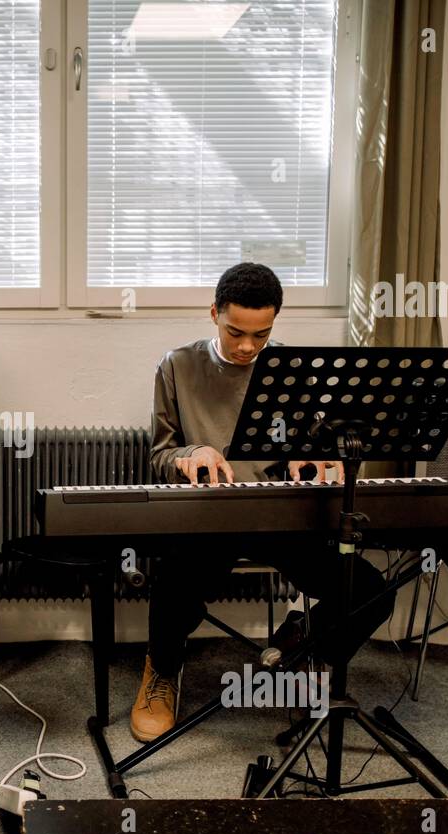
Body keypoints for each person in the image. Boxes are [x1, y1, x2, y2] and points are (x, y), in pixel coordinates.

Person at [132, 262, 396, 743]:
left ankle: (303, 646)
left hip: (283, 516)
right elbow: (159, 455)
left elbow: (314, 446)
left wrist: (313, 460)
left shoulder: (292, 369)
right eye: (236, 332)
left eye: (262, 334)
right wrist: (190, 454)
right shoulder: (177, 366)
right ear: (214, 313)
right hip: (210, 517)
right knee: (173, 580)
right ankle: (162, 671)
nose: (248, 346)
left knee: (370, 590)